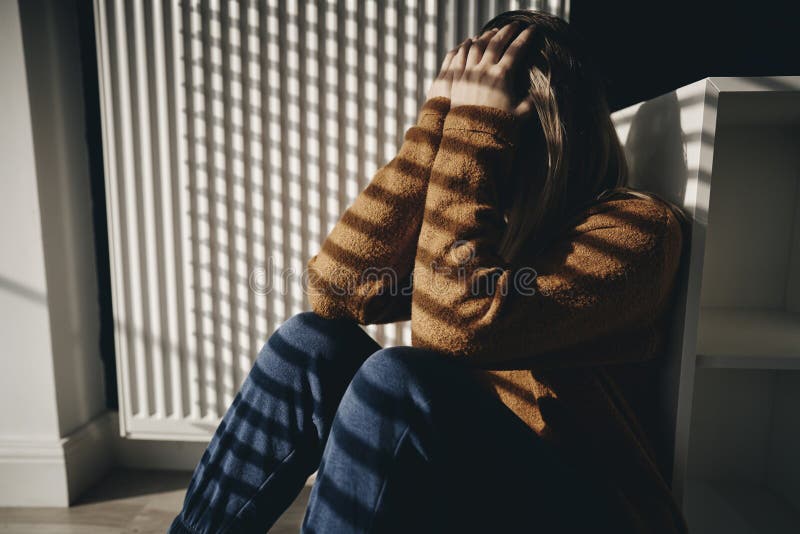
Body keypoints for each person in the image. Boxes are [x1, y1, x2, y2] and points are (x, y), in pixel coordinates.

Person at [169, 10, 690, 534]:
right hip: (475, 483)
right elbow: (335, 290)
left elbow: (452, 328)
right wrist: (431, 126)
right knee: (308, 344)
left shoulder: (636, 229)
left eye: (494, 129)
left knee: (396, 380)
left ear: (541, 136)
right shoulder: (492, 234)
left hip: (583, 509)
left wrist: (474, 133)